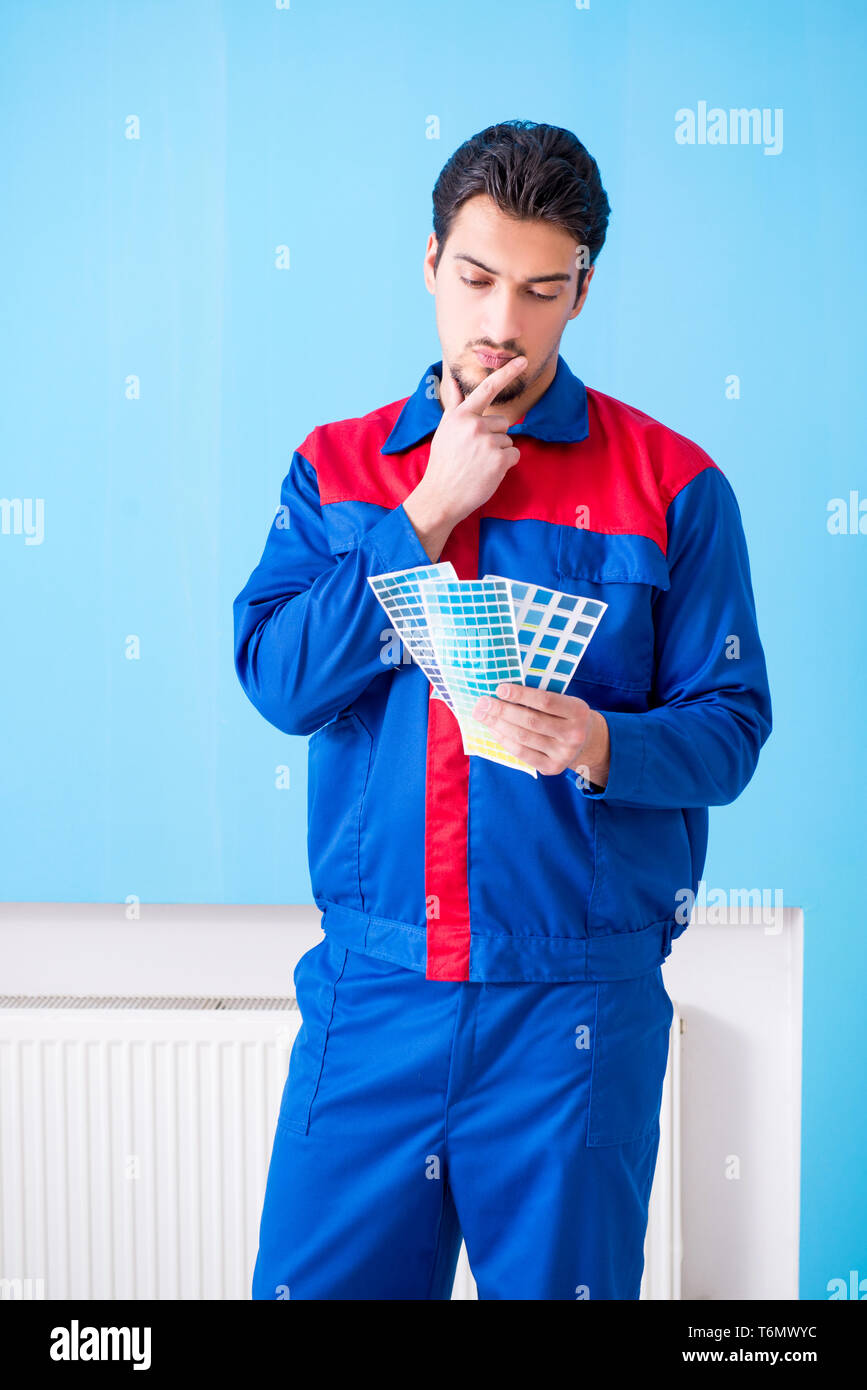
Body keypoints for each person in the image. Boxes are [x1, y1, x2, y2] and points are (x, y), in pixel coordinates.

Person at [233, 119, 773, 1300]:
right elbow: (280, 681)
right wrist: (420, 513)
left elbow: (732, 725)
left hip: (574, 1008)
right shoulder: (338, 471)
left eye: (540, 290)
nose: (501, 322)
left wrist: (606, 743)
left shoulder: (674, 485)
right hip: (376, 994)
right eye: (476, 279)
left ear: (582, 290)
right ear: (431, 263)